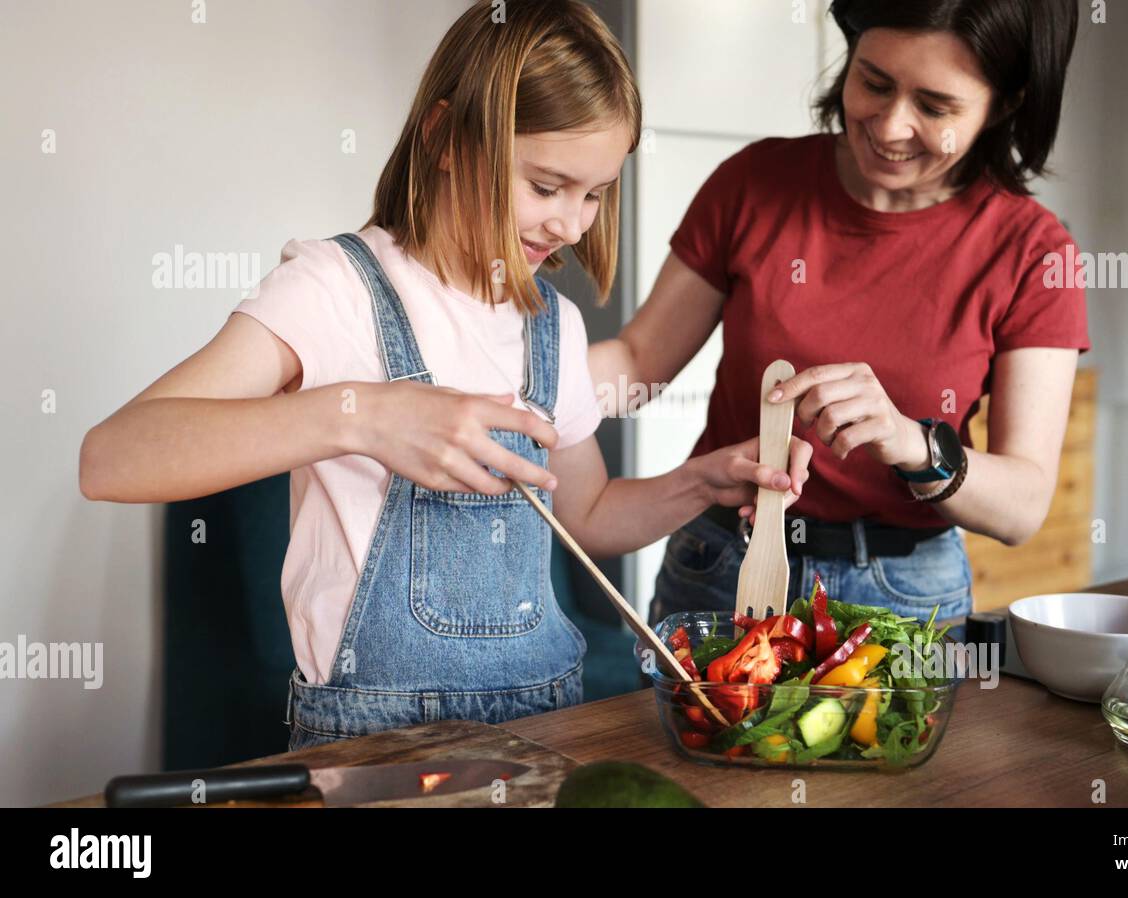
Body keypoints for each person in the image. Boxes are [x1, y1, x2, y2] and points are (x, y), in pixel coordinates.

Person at [78, 0, 809, 751]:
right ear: (445, 138)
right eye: (547, 185)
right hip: (373, 746)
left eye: (594, 194)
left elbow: (586, 513)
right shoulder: (337, 290)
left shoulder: (551, 322)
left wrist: (700, 484)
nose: (572, 224)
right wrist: (361, 416)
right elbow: (111, 458)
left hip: (547, 726)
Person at [588, 0, 1091, 632]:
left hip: (901, 592)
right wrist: (511, 374)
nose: (889, 126)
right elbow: (636, 364)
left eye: (935, 107)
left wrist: (910, 441)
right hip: (721, 562)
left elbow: (1022, 505)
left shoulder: (1034, 252)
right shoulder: (755, 182)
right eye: (874, 82)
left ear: (1008, 102)